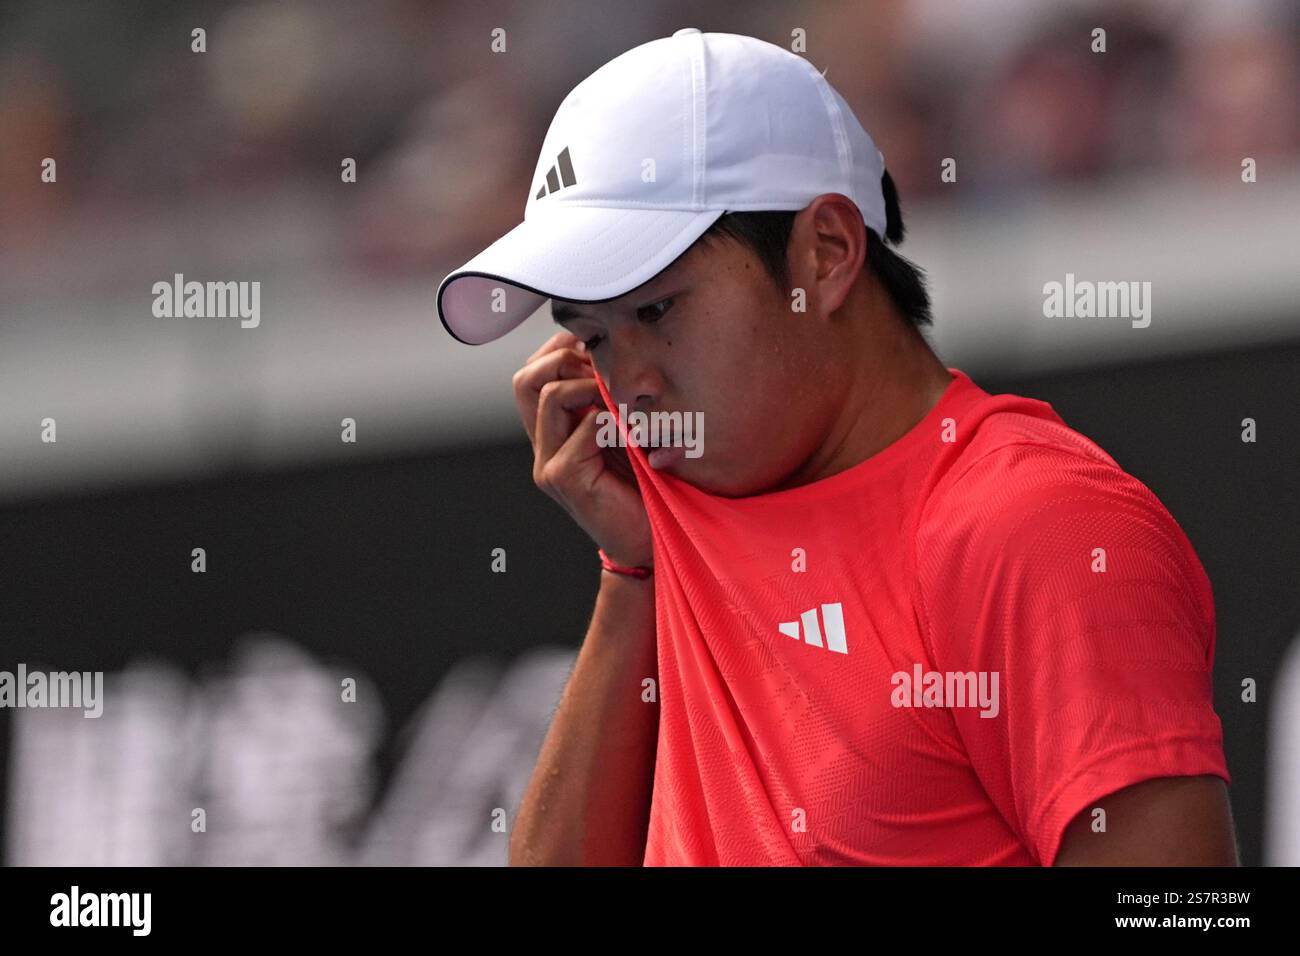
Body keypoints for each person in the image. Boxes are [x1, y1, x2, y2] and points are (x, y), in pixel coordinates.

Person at [437, 30, 1237, 866]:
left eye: (657, 312)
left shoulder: (1038, 526)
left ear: (826, 254)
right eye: (594, 337)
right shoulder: (665, 508)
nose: (626, 382)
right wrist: (632, 572)